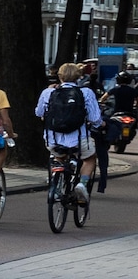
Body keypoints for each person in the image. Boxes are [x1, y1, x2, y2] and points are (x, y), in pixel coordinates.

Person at [35, 62, 103, 198]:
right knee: (90, 158)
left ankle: (56, 185)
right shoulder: (86, 92)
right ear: (79, 76)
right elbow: (95, 118)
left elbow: (39, 112)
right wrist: (99, 125)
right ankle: (82, 184)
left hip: (53, 139)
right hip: (79, 139)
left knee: (59, 156)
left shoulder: (48, 92)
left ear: (59, 76)